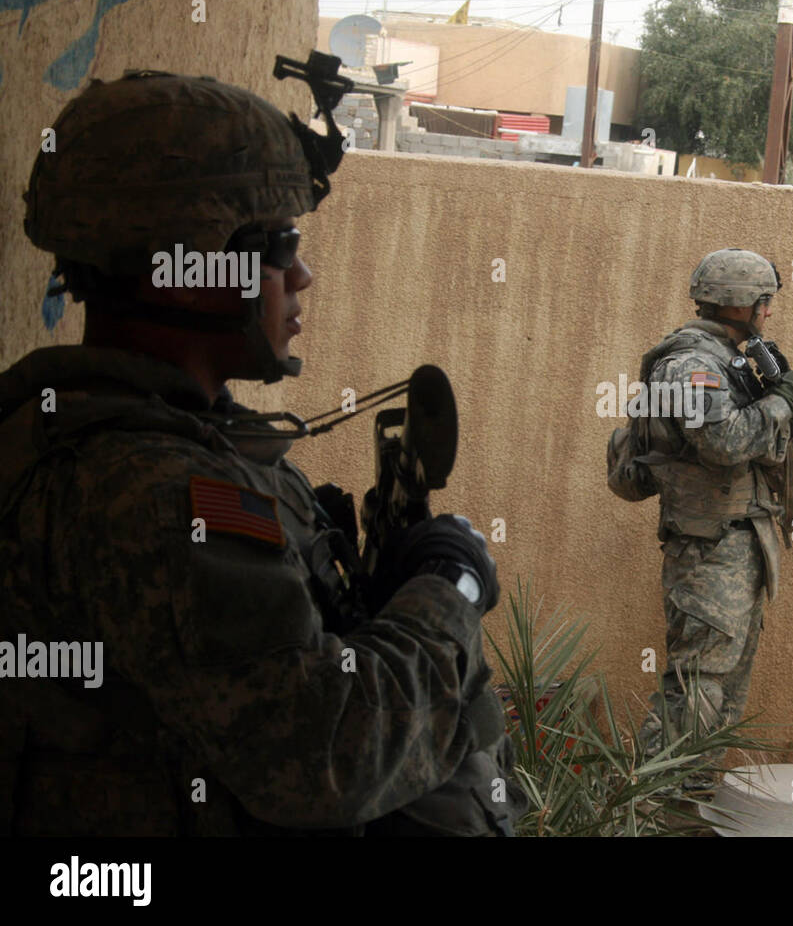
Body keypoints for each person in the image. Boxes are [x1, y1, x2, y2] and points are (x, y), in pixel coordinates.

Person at [0, 66, 523, 835]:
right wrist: (451, 587)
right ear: (183, 272)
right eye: (278, 246)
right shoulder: (148, 489)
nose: (301, 275)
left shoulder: (79, 427)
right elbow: (328, 756)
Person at [632, 248, 793, 789]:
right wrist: (783, 402)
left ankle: (687, 808)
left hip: (737, 548)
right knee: (696, 689)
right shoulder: (689, 365)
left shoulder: (730, 361)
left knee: (721, 694)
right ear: (749, 304)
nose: (770, 314)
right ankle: (644, 811)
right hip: (709, 552)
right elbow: (723, 440)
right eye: (767, 303)